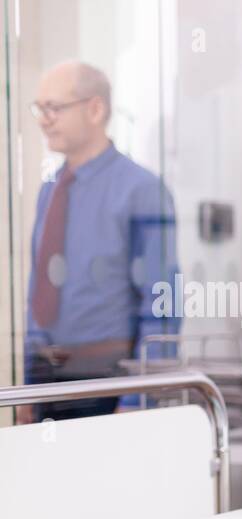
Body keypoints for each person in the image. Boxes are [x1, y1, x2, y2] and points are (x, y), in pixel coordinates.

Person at [19, 61, 178, 423]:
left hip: (107, 389)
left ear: (95, 109)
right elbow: (39, 294)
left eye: (54, 108)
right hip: (48, 386)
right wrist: (30, 389)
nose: (44, 119)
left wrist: (139, 399)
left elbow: (163, 306)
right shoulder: (51, 191)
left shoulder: (142, 191)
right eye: (39, 108)